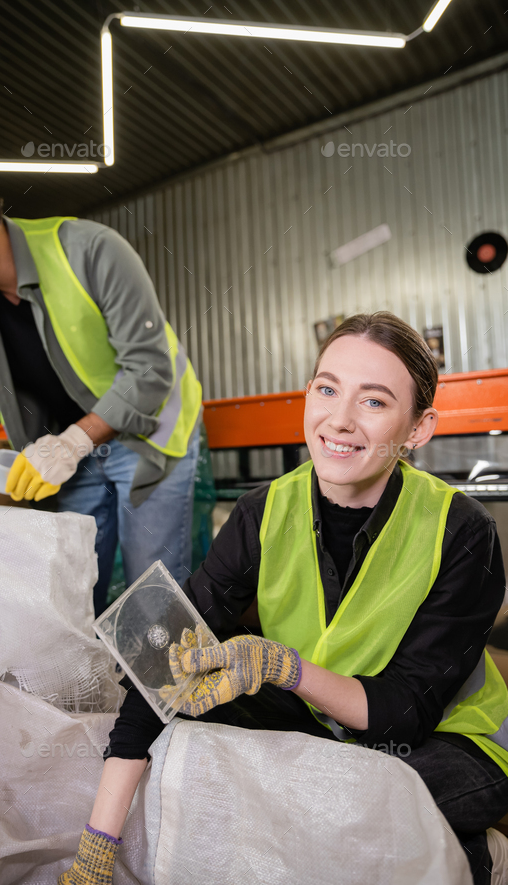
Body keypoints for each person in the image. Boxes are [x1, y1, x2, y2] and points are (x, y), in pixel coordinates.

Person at [60, 312, 508, 885]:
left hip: (445, 742)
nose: (338, 421)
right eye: (327, 389)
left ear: (418, 428)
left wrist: (281, 667)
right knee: (188, 735)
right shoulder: (263, 511)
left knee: (346, 811)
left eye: (373, 402)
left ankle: (475, 859)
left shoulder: (462, 531)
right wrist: (98, 847)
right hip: (322, 726)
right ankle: (414, 840)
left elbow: (407, 712)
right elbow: (161, 662)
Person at [0, 158, 202, 614]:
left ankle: (168, 685)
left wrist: (73, 442)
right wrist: (69, 449)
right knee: (72, 601)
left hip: (150, 432)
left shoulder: (89, 250)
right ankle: (95, 688)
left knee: (152, 597)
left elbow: (149, 370)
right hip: (70, 459)